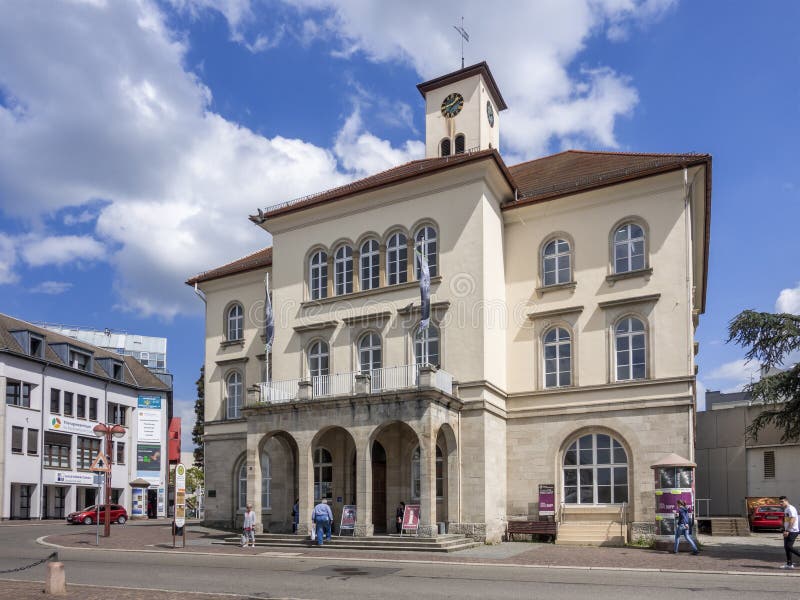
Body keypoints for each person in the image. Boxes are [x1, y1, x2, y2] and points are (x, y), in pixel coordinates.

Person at [780, 496, 800, 568]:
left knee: (789, 546)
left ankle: (790, 563)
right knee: (786, 547)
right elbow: (787, 520)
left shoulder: (791, 508)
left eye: (782, 501)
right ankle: (789, 564)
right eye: (780, 502)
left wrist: (788, 530)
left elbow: (793, 519)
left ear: (786, 501)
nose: (780, 503)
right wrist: (784, 529)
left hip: (793, 531)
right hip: (788, 530)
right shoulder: (786, 509)